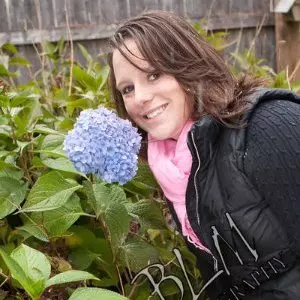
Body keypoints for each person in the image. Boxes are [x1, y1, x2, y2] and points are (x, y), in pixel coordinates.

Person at [107, 10, 300, 300]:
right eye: (127, 88)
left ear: (187, 64)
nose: (140, 98)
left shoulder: (268, 125)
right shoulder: (174, 169)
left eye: (154, 74)